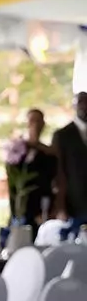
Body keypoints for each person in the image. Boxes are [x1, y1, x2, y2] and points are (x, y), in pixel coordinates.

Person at [8, 109, 56, 226]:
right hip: (21, 208)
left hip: (42, 208)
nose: (35, 125)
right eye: (32, 121)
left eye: (38, 121)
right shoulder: (17, 150)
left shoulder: (48, 153)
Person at [53, 93, 87, 225]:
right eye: (80, 103)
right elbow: (59, 171)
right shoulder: (62, 135)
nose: (84, 106)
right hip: (74, 202)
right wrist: (60, 206)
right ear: (74, 106)